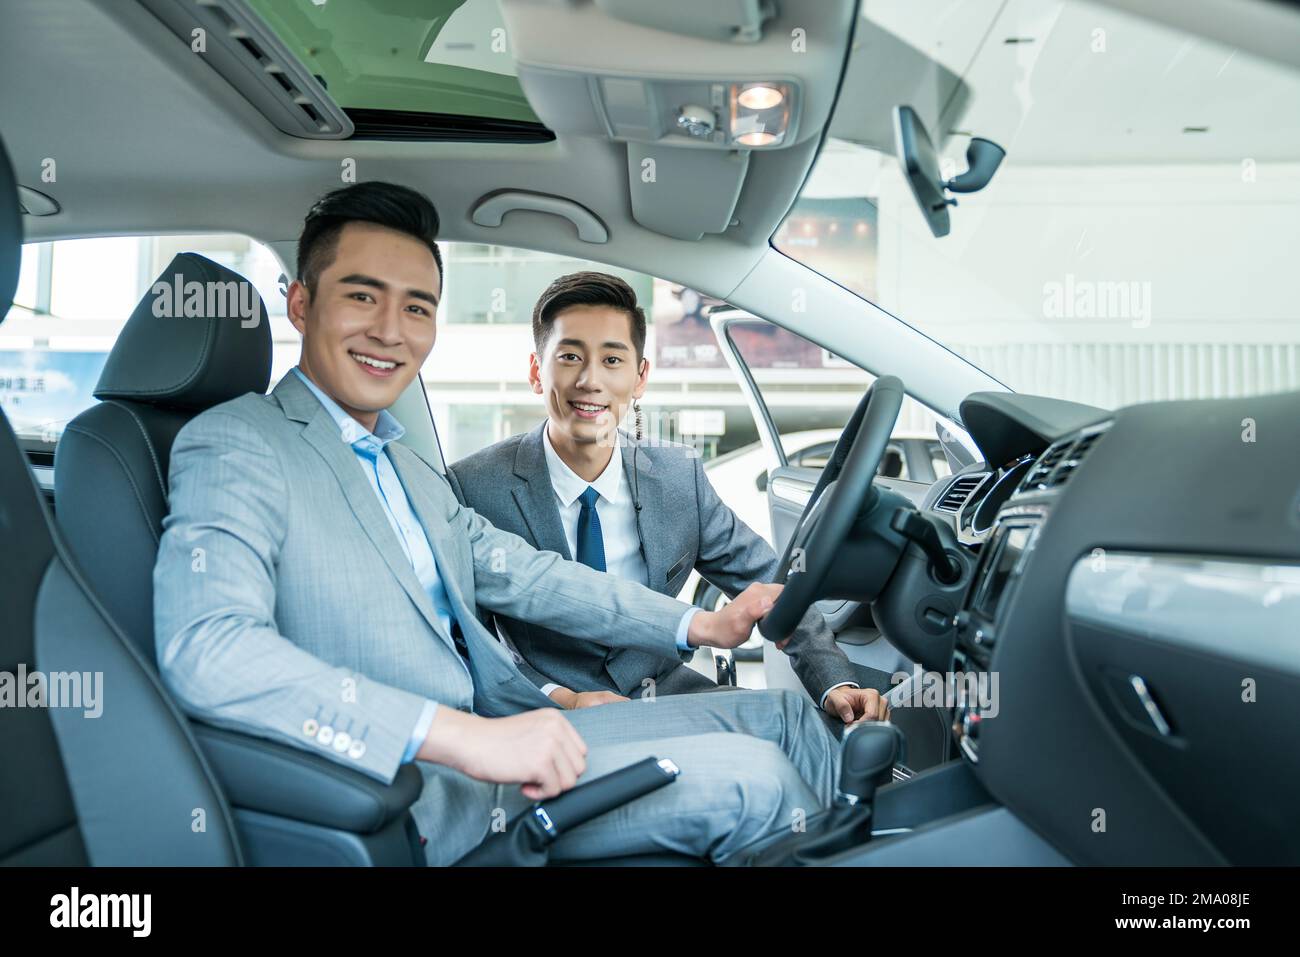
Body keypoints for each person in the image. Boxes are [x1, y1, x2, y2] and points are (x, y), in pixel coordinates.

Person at [153, 181, 880, 865]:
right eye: (362, 295)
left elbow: (529, 575)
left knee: (786, 718)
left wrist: (698, 627)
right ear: (302, 305)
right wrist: (463, 737)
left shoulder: (403, 467)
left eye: (416, 307)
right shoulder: (239, 441)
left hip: (506, 731)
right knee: (757, 779)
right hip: (428, 787)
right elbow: (209, 650)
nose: (389, 329)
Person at [449, 272, 885, 727]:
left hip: (667, 694)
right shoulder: (474, 487)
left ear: (640, 378)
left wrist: (836, 683)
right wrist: (559, 698)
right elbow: (469, 640)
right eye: (570, 356)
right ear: (538, 373)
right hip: (542, 712)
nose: (590, 380)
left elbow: (769, 586)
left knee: (799, 730)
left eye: (612, 360)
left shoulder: (679, 476)